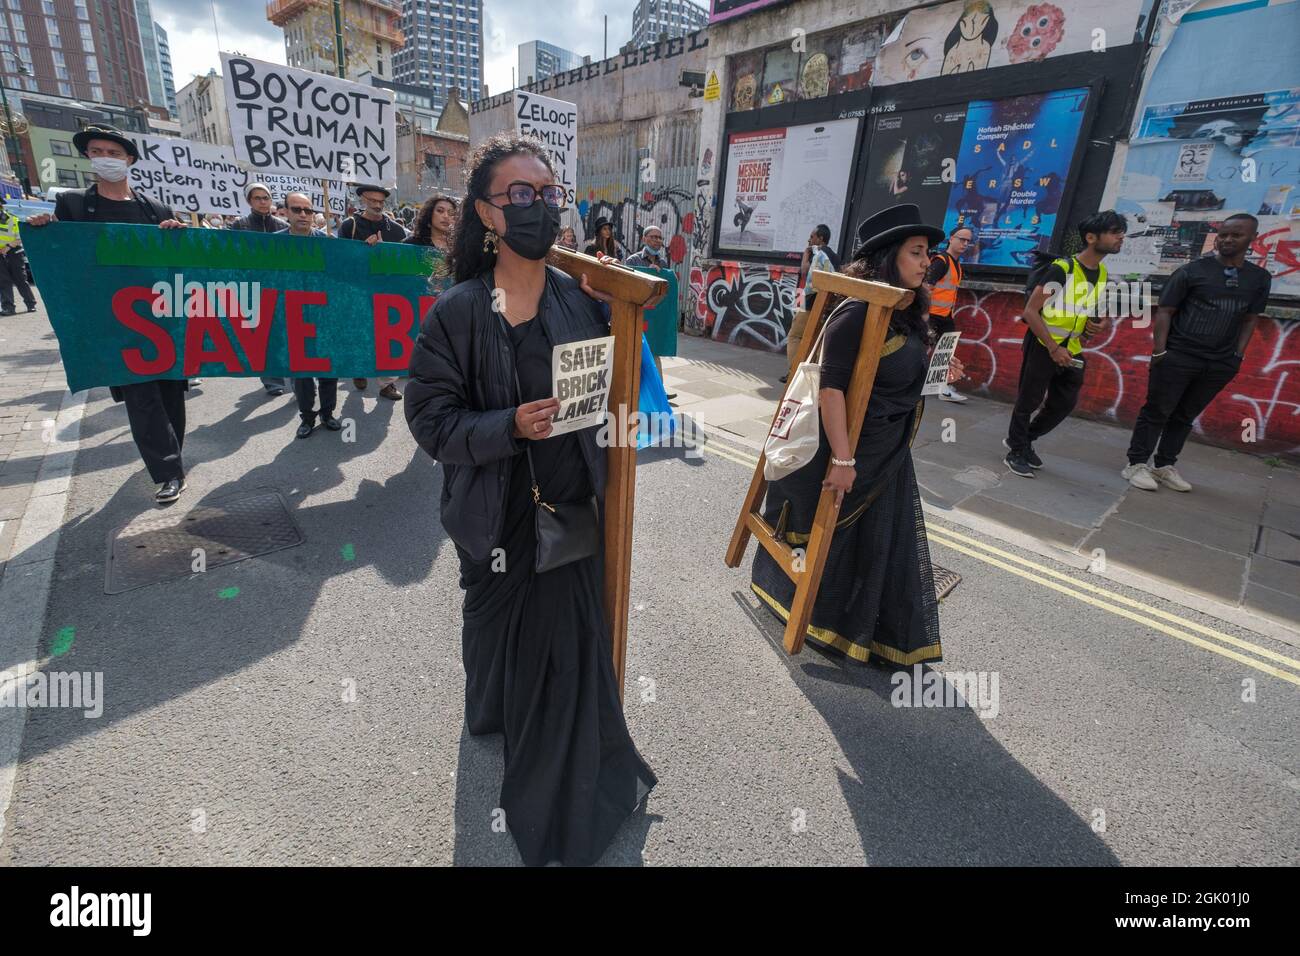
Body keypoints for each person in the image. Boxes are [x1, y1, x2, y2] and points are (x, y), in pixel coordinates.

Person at [404, 132, 656, 866]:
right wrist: (505, 426)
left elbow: (634, 375)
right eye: (521, 194)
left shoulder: (583, 298)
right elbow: (430, 422)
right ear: (486, 212)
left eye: (548, 194)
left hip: (570, 505)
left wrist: (623, 310)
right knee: (488, 634)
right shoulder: (454, 312)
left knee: (562, 656)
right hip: (493, 510)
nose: (539, 206)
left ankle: (566, 783)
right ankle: (489, 706)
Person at [751, 204, 963, 667]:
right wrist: (842, 462)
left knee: (880, 543)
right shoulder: (857, 312)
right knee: (845, 543)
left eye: (928, 253)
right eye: (917, 252)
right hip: (849, 455)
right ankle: (829, 623)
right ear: (889, 256)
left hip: (888, 451)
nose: (927, 262)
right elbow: (831, 391)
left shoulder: (906, 310)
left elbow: (897, 373)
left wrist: (937, 370)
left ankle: (868, 630)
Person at [25, 124, 191, 505]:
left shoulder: (156, 209)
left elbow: (175, 266)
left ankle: (173, 458)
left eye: (114, 153)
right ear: (89, 158)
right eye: (98, 151)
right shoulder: (72, 206)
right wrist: (45, 231)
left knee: (170, 394)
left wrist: (177, 235)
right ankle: (167, 472)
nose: (106, 158)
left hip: (161, 318)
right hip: (115, 322)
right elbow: (65, 260)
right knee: (141, 395)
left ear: (129, 160)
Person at [1122, 213, 1270, 492]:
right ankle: (1136, 463)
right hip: (1179, 355)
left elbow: (1251, 318)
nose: (1227, 239)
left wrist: (1237, 355)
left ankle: (1164, 465)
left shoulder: (1259, 278)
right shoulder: (1192, 271)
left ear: (1253, 238)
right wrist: (1159, 352)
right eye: (1223, 234)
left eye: (1235, 235)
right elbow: (1165, 311)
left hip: (1220, 362)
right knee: (1157, 410)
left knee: (1185, 415)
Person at [1003, 210, 1126, 478]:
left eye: (1121, 232)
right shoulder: (1063, 269)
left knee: (1064, 403)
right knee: (1029, 400)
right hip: (1044, 344)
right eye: (1115, 232)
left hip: (1071, 347)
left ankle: (1024, 440)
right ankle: (1015, 450)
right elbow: (1031, 312)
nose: (1121, 237)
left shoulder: (1102, 272)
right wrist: (1053, 347)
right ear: (1091, 237)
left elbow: (1092, 309)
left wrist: (1099, 322)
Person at [279, 192, 340, 440]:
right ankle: (306, 416)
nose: (303, 214)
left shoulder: (329, 242)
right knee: (301, 373)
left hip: (323, 317)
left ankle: (327, 413)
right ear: (285, 212)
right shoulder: (275, 245)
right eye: (297, 209)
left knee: (328, 369)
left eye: (308, 210)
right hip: (293, 318)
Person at [340, 183, 408, 397]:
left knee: (388, 338)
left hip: (388, 293)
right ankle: (358, 369)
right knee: (361, 334)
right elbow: (339, 259)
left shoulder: (396, 230)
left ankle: (387, 383)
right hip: (358, 292)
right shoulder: (349, 226)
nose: (377, 205)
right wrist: (363, 252)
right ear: (363, 201)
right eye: (372, 201)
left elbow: (404, 260)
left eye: (381, 202)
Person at [229, 182, 290, 396]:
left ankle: (293, 372)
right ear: (249, 201)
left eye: (266, 197)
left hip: (281, 287)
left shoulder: (283, 224)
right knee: (263, 335)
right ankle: (273, 380)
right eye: (258, 198)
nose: (263, 202)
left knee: (287, 332)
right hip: (254, 287)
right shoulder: (240, 225)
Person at [781, 225, 838, 384]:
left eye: (812, 236)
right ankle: (799, 373)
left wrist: (805, 255)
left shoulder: (818, 254)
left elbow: (805, 271)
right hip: (803, 295)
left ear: (821, 238)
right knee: (810, 337)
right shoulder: (834, 256)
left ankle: (793, 373)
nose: (809, 239)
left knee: (794, 335)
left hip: (807, 299)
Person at [624, 225, 678, 393]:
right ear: (644, 239)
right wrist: (649, 273)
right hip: (638, 314)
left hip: (654, 318)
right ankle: (635, 391)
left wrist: (666, 276)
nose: (657, 241)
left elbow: (665, 290)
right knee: (635, 353)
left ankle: (658, 392)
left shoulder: (663, 263)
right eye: (653, 237)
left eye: (660, 238)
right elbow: (628, 284)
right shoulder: (633, 260)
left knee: (654, 353)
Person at [924, 224, 974, 403]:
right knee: (923, 349)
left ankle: (941, 388)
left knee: (945, 350)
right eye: (962, 239)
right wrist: (923, 315)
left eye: (968, 240)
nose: (965, 243)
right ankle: (908, 382)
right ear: (951, 238)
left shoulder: (956, 264)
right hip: (931, 315)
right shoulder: (941, 261)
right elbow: (926, 287)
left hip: (945, 315)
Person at [0, 196, 37, 314]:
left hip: (13, 252)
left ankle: (31, 304)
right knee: (3, 281)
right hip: (0, 254)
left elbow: (19, 237)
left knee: (20, 279)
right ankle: (8, 308)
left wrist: (8, 247)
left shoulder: (12, 219)